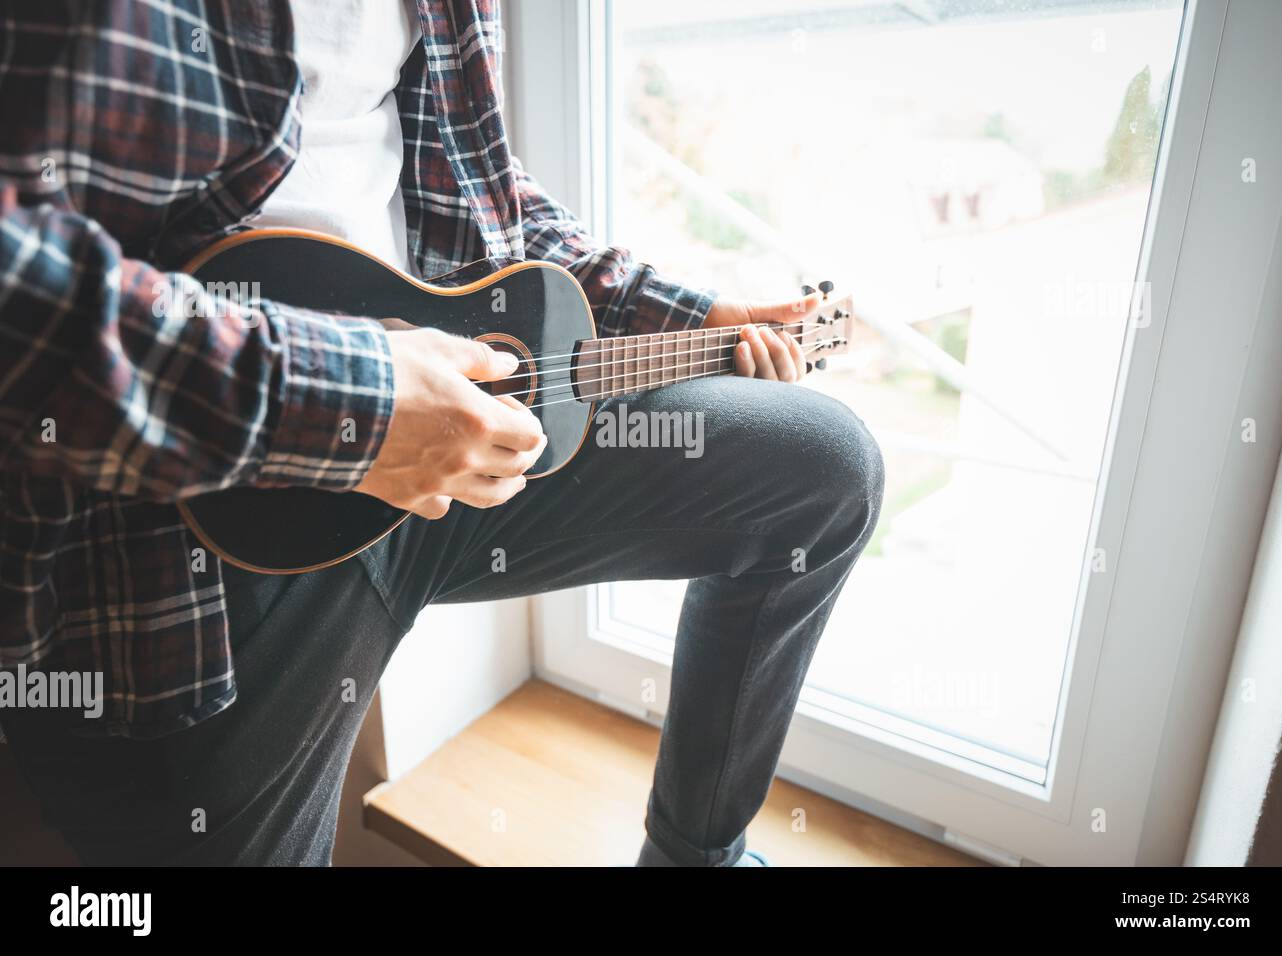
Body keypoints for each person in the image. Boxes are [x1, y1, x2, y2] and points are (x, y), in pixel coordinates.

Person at [0, 0, 883, 867]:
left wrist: (695, 319)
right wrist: (355, 406)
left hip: (453, 438)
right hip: (175, 549)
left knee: (822, 476)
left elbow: (480, 198)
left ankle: (695, 856)